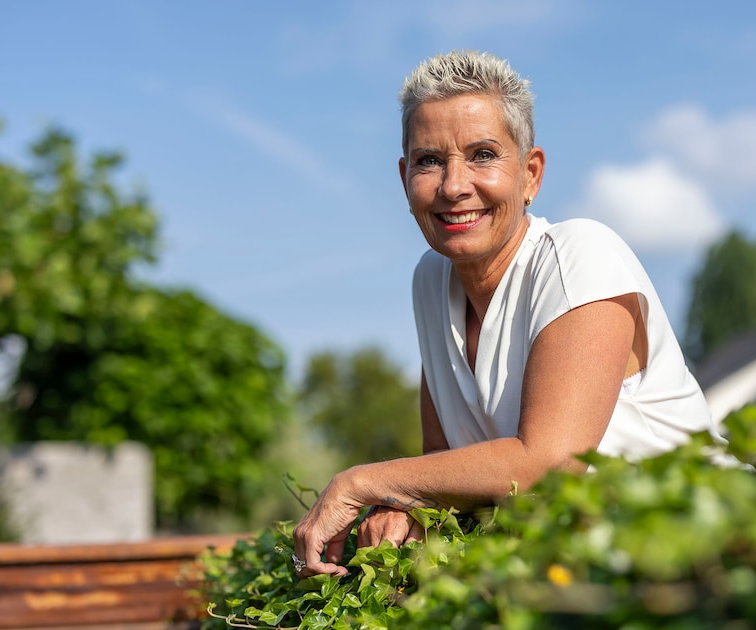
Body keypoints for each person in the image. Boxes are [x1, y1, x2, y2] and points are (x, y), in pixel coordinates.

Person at [292, 50, 717, 577]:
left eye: (482, 154)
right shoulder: (431, 281)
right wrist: (407, 514)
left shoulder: (579, 255)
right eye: (429, 160)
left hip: (698, 557)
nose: (453, 185)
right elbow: (440, 471)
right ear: (404, 178)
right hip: (570, 573)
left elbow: (548, 464)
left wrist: (358, 485)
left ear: (531, 173)